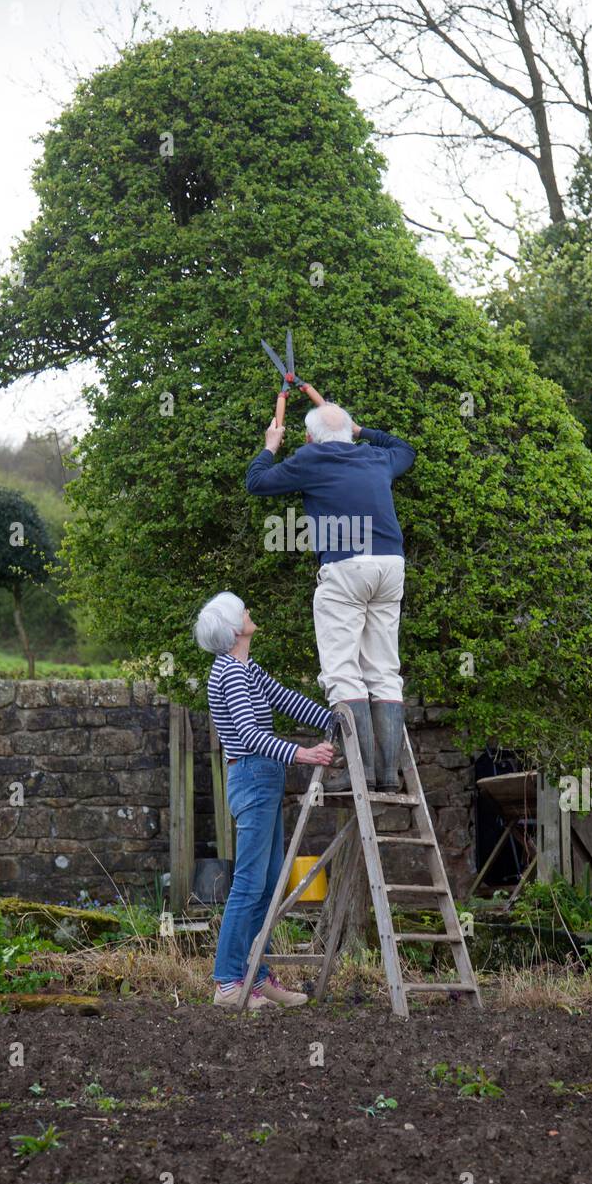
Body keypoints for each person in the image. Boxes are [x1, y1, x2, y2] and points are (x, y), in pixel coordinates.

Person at [245, 401, 415, 792]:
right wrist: (363, 431)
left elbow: (256, 482)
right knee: (385, 672)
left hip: (345, 567)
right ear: (348, 432)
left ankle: (360, 773)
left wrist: (271, 445)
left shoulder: (309, 458)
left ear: (308, 437)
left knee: (342, 673)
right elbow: (405, 450)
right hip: (390, 565)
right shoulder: (374, 457)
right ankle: (388, 776)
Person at [193, 590, 335, 1011]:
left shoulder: (246, 668)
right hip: (253, 775)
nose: (249, 611)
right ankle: (227, 983)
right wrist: (303, 753)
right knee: (249, 885)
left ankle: (255, 977)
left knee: (270, 883)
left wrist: (333, 718)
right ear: (234, 627)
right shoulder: (229, 674)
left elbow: (285, 698)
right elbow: (251, 736)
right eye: (244, 609)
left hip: (265, 775)